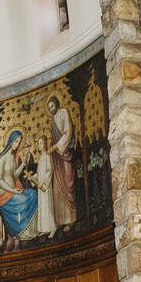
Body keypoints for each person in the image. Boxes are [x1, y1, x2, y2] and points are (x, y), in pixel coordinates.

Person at [0, 130, 38, 251]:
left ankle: (25, 234)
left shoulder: (13, 158)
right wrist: (11, 189)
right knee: (24, 199)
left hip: (13, 191)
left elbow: (14, 175)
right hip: (4, 195)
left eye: (19, 142)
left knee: (33, 194)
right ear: (11, 141)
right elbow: (0, 180)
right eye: (16, 141)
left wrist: (23, 163)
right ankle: (17, 235)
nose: (17, 145)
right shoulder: (2, 159)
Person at [47, 94, 77, 231]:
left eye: (52, 106)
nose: (51, 109)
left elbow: (67, 132)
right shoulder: (52, 120)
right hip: (57, 158)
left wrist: (56, 147)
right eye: (49, 108)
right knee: (58, 187)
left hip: (65, 153)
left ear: (56, 104)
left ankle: (71, 220)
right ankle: (60, 220)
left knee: (68, 182)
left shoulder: (64, 112)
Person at [35, 135, 56, 238]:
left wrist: (43, 182)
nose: (39, 145)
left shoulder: (47, 156)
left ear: (45, 144)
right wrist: (33, 178)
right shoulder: (40, 158)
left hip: (46, 187)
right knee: (42, 207)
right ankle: (44, 228)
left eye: (41, 143)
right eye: (38, 143)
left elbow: (49, 171)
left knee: (48, 207)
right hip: (40, 188)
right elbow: (39, 173)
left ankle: (53, 228)